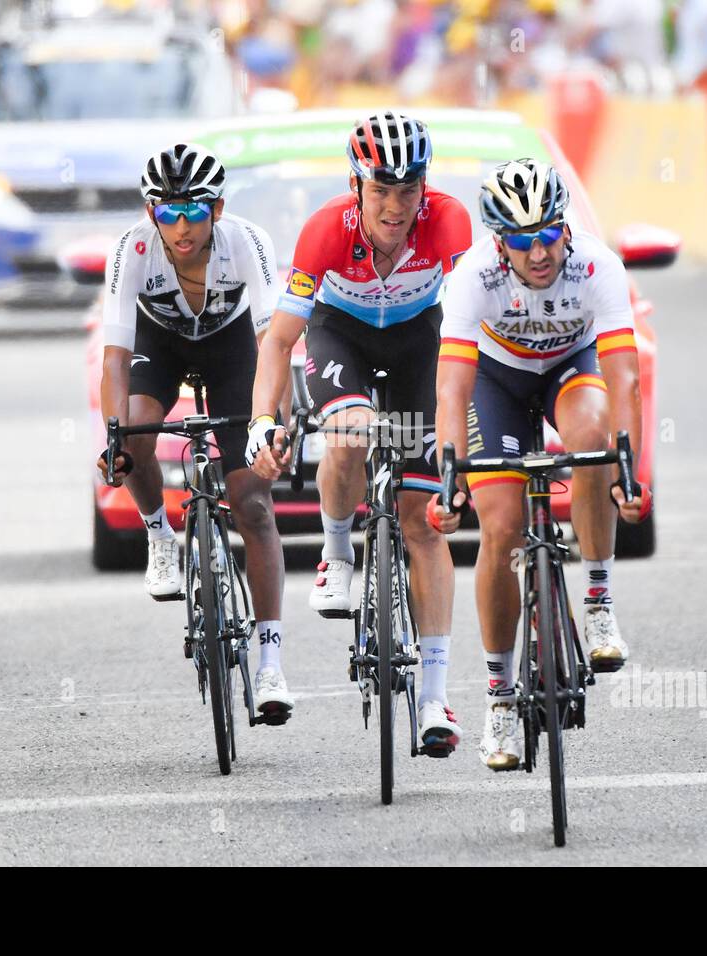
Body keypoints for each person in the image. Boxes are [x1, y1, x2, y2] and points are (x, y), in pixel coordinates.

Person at [246, 112, 472, 756]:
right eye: (381, 190)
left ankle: (433, 696)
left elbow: (466, 329)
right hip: (339, 333)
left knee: (422, 522)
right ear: (356, 186)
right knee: (348, 430)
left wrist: (465, 427)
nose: (396, 207)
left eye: (409, 189)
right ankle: (338, 552)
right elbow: (280, 340)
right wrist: (265, 418)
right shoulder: (324, 231)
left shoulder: (449, 222)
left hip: (419, 341)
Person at [428, 159, 651, 772]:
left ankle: (599, 603)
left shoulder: (597, 266)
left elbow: (624, 376)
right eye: (522, 241)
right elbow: (451, 389)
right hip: (494, 382)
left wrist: (627, 473)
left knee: (590, 434)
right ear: (499, 241)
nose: (539, 251)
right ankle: (500, 698)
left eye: (549, 234)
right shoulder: (472, 276)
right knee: (498, 527)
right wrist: (450, 480)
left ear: (564, 228)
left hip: (567, 367)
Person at [97, 143, 292, 723]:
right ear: (150, 212)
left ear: (220, 208)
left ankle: (270, 663)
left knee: (252, 505)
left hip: (235, 351)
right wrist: (114, 437)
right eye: (168, 213)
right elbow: (115, 355)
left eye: (195, 212)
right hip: (159, 347)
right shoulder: (131, 250)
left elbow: (271, 344)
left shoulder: (248, 243)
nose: (181, 227)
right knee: (133, 431)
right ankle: (160, 535)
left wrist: (268, 424)